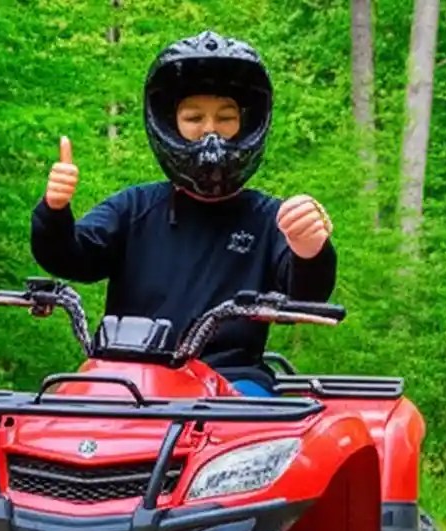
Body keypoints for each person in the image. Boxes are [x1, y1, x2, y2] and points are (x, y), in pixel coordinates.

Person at [29, 30, 337, 397]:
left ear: (247, 124)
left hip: (233, 382)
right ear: (170, 122)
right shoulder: (134, 208)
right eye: (194, 117)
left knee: (251, 425)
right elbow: (70, 257)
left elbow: (306, 297)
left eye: (226, 118)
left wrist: (310, 248)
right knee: (53, 424)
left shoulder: (270, 218)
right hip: (123, 379)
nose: (210, 131)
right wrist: (54, 211)